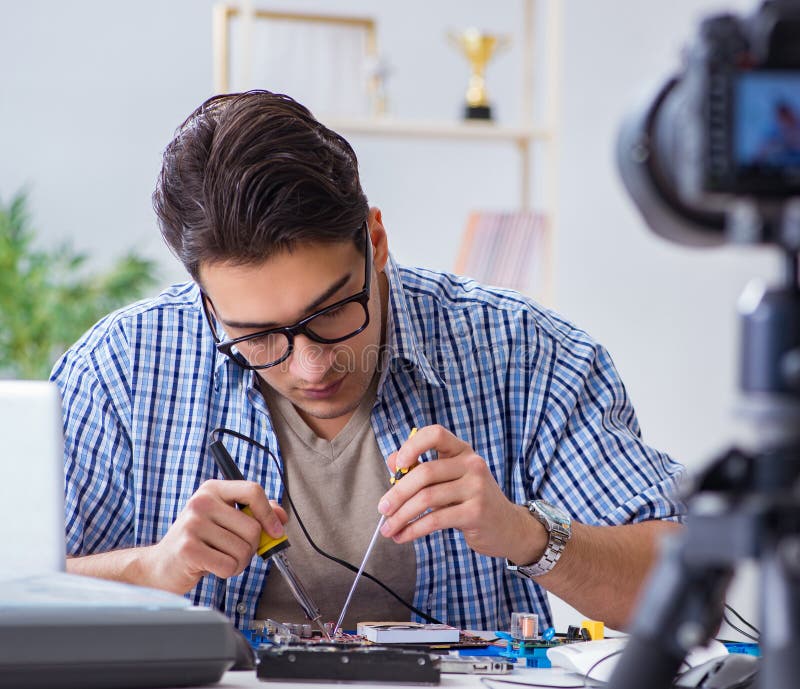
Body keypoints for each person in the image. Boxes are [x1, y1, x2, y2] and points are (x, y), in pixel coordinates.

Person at [52, 90, 684, 634]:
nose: (308, 368)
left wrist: (526, 535)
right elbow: (15, 582)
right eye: (256, 335)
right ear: (206, 298)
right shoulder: (124, 369)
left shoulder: (523, 352)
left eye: (329, 313)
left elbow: (688, 589)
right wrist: (149, 570)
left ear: (375, 241)